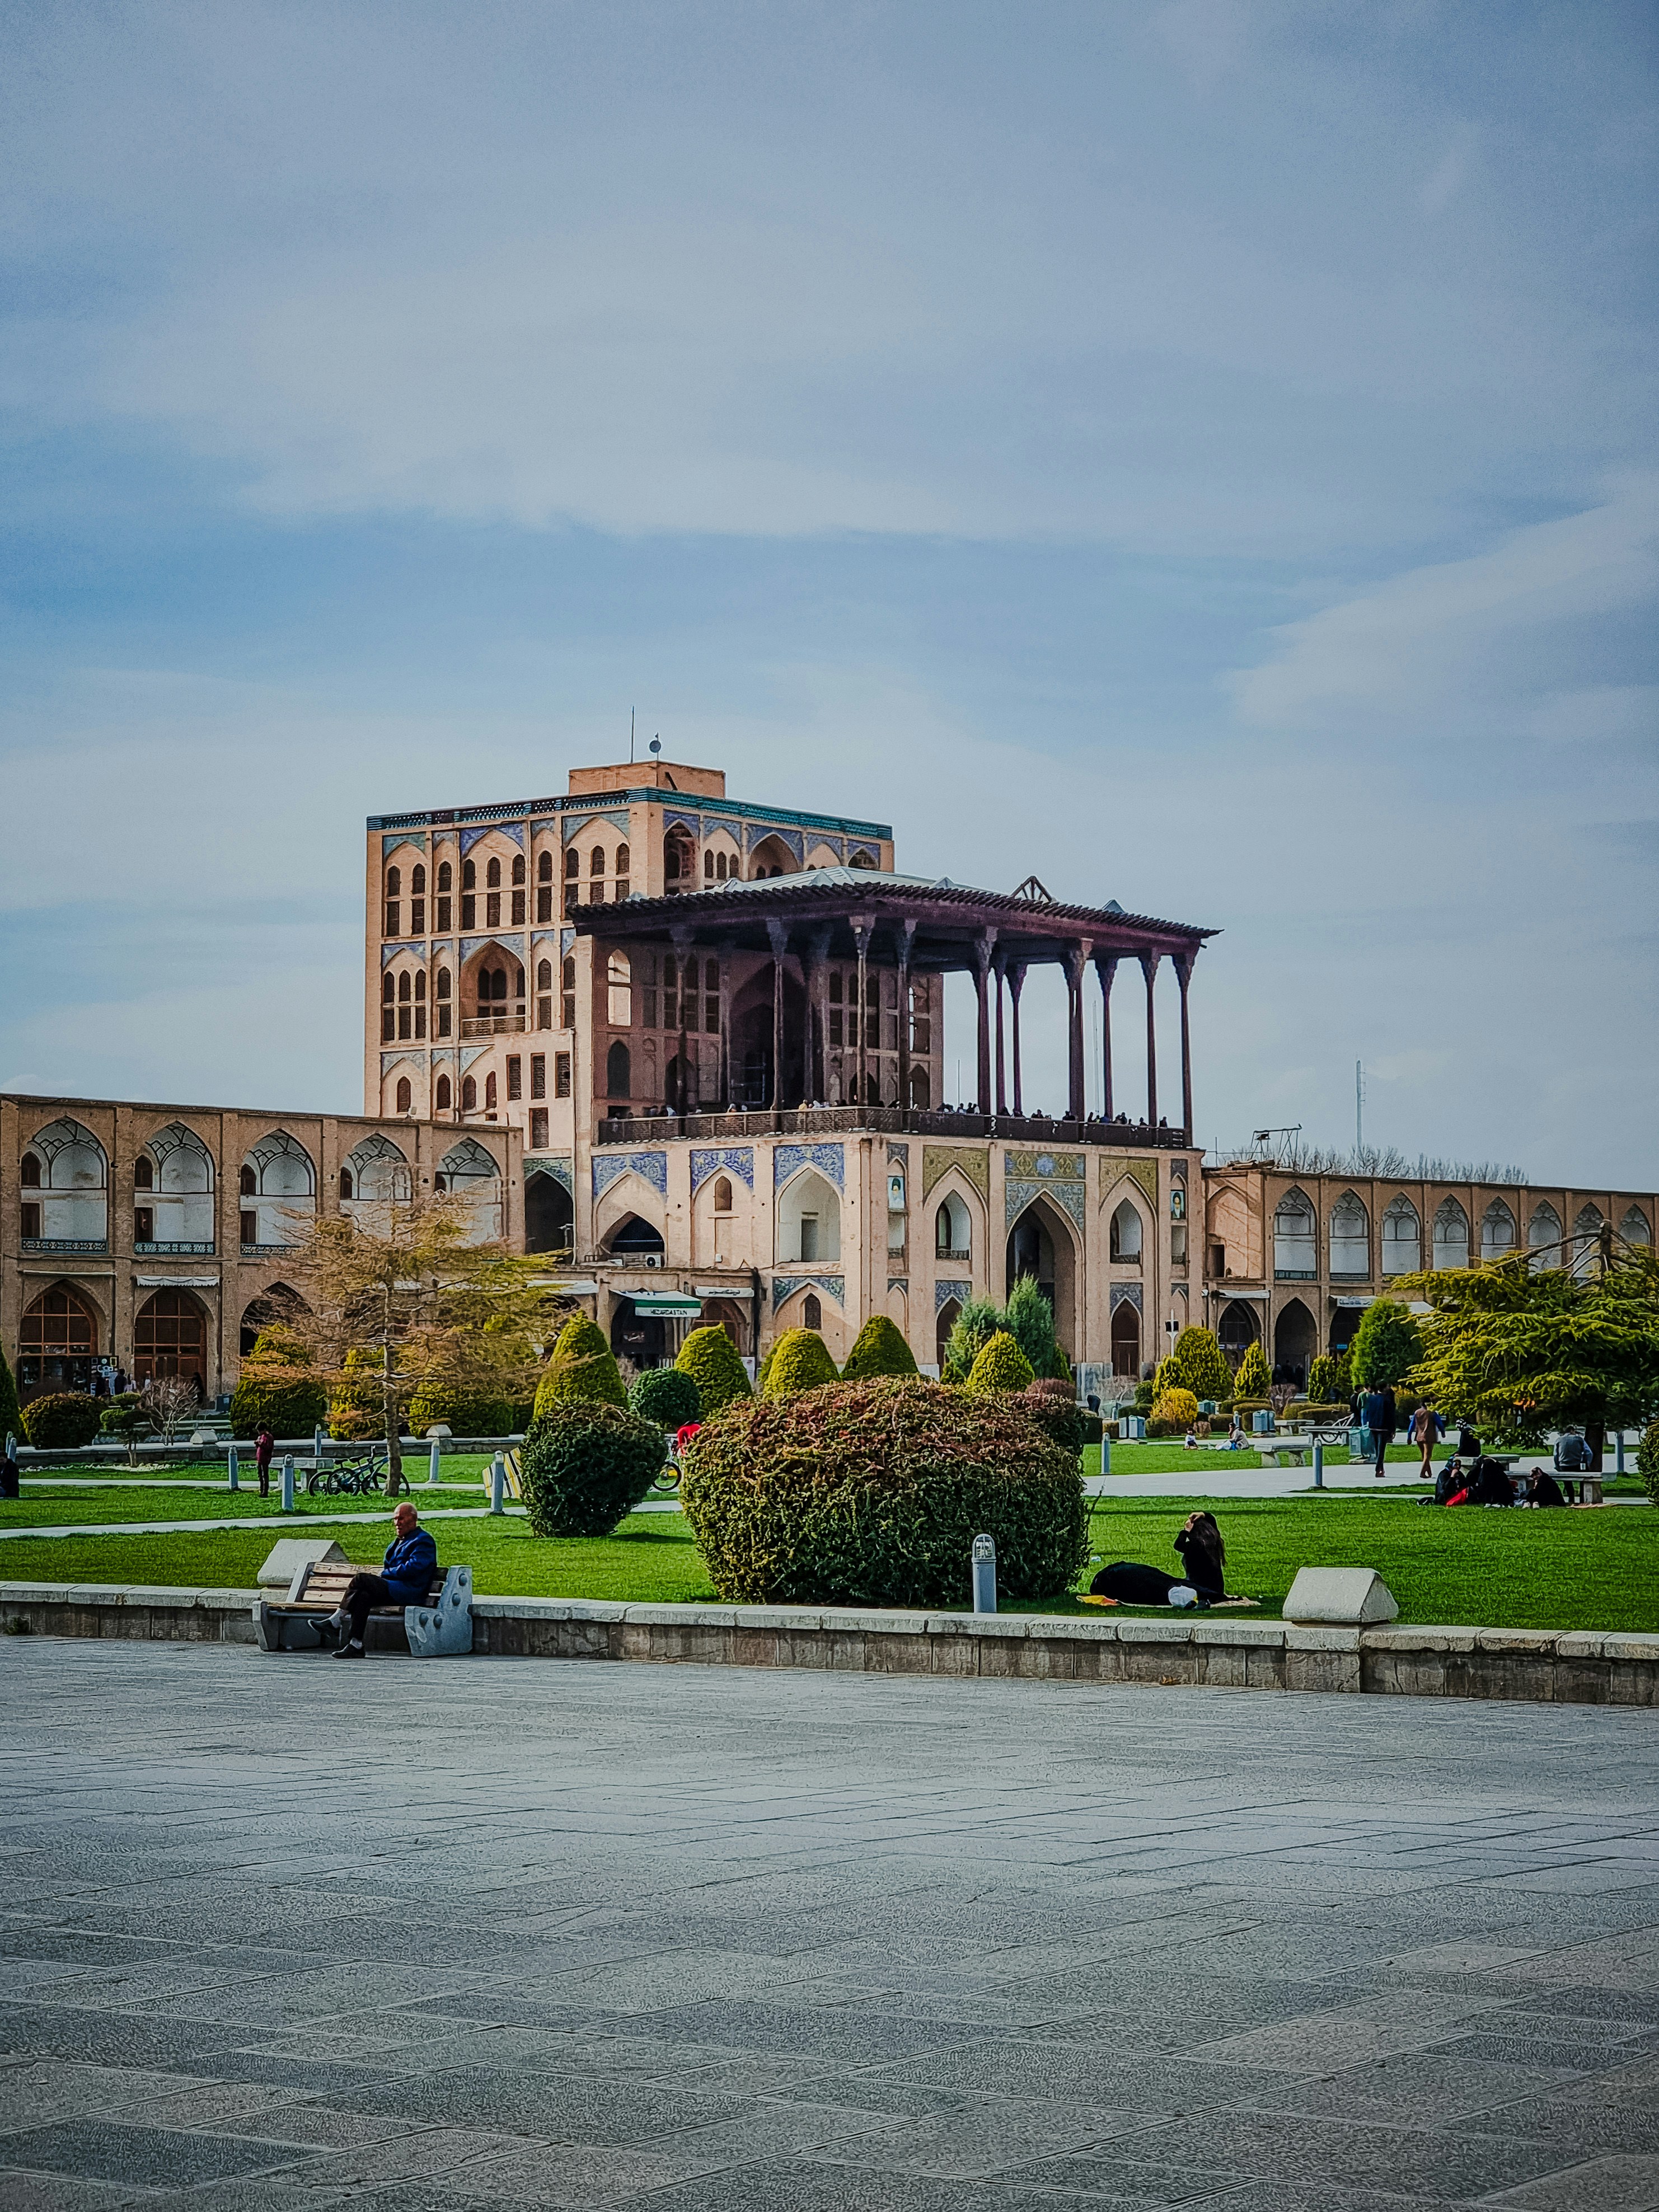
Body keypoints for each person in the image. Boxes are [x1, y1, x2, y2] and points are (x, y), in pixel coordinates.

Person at [314, 1502, 438, 1659]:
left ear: (413, 1519)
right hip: (395, 1588)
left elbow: (414, 1568)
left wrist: (385, 1573)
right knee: (363, 1596)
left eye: (401, 1519)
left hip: (410, 1591)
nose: (397, 1523)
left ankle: (336, 1620)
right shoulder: (399, 1541)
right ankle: (355, 1644)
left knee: (361, 1579)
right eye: (395, 1519)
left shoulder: (423, 1541)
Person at [1361, 1381, 1397, 1480]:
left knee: (1377, 1449)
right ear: (1385, 1388)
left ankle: (1380, 1467)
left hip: (1374, 1426)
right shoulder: (1387, 1400)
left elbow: (1369, 1412)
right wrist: (1393, 1429)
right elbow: (1391, 1416)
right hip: (1384, 1427)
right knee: (1381, 1449)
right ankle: (1379, 1468)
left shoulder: (1372, 1399)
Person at [1410, 1399, 1443, 1482]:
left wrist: (1409, 1435)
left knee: (1424, 1456)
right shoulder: (1432, 1413)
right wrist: (1443, 1432)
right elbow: (1439, 1423)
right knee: (1428, 1456)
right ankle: (1422, 1473)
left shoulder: (1417, 1412)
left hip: (1419, 1436)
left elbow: (1412, 1425)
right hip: (1429, 1437)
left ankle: (1429, 1472)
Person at [253, 1427, 275, 1499]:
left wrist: (259, 1444)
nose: (259, 1432)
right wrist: (257, 1444)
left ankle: (265, 1492)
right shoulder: (262, 1436)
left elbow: (268, 1448)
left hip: (265, 1459)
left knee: (265, 1475)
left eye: (260, 1430)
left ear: (265, 1429)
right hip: (260, 1458)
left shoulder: (269, 1437)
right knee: (260, 1475)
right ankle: (261, 1489)